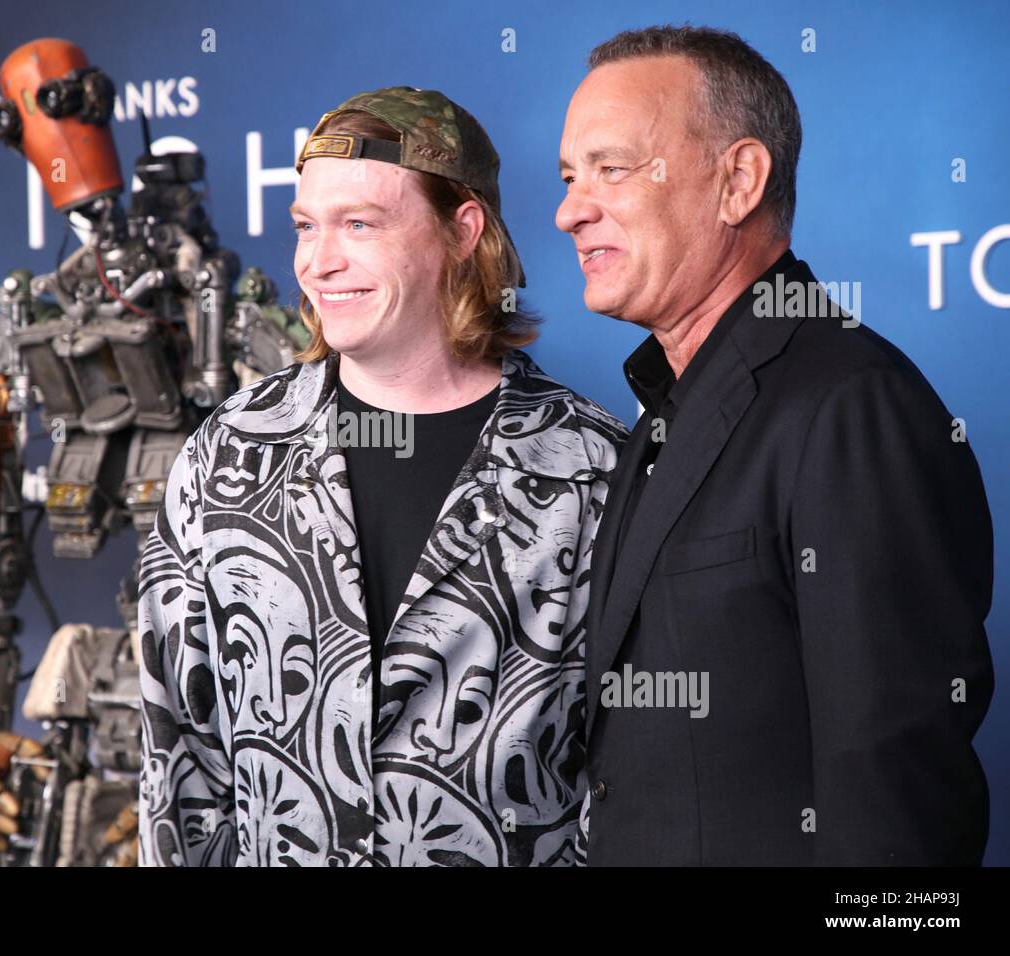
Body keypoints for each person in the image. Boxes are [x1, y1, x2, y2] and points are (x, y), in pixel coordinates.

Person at [136, 86, 626, 866]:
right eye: (306, 226)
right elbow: (181, 769)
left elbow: (625, 782)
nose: (318, 261)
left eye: (359, 224)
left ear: (463, 231)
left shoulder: (591, 468)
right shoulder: (228, 454)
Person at [557, 25, 994, 865]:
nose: (569, 210)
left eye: (612, 169)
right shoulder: (660, 415)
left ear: (739, 182)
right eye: (571, 177)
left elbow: (894, 798)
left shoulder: (851, 406)